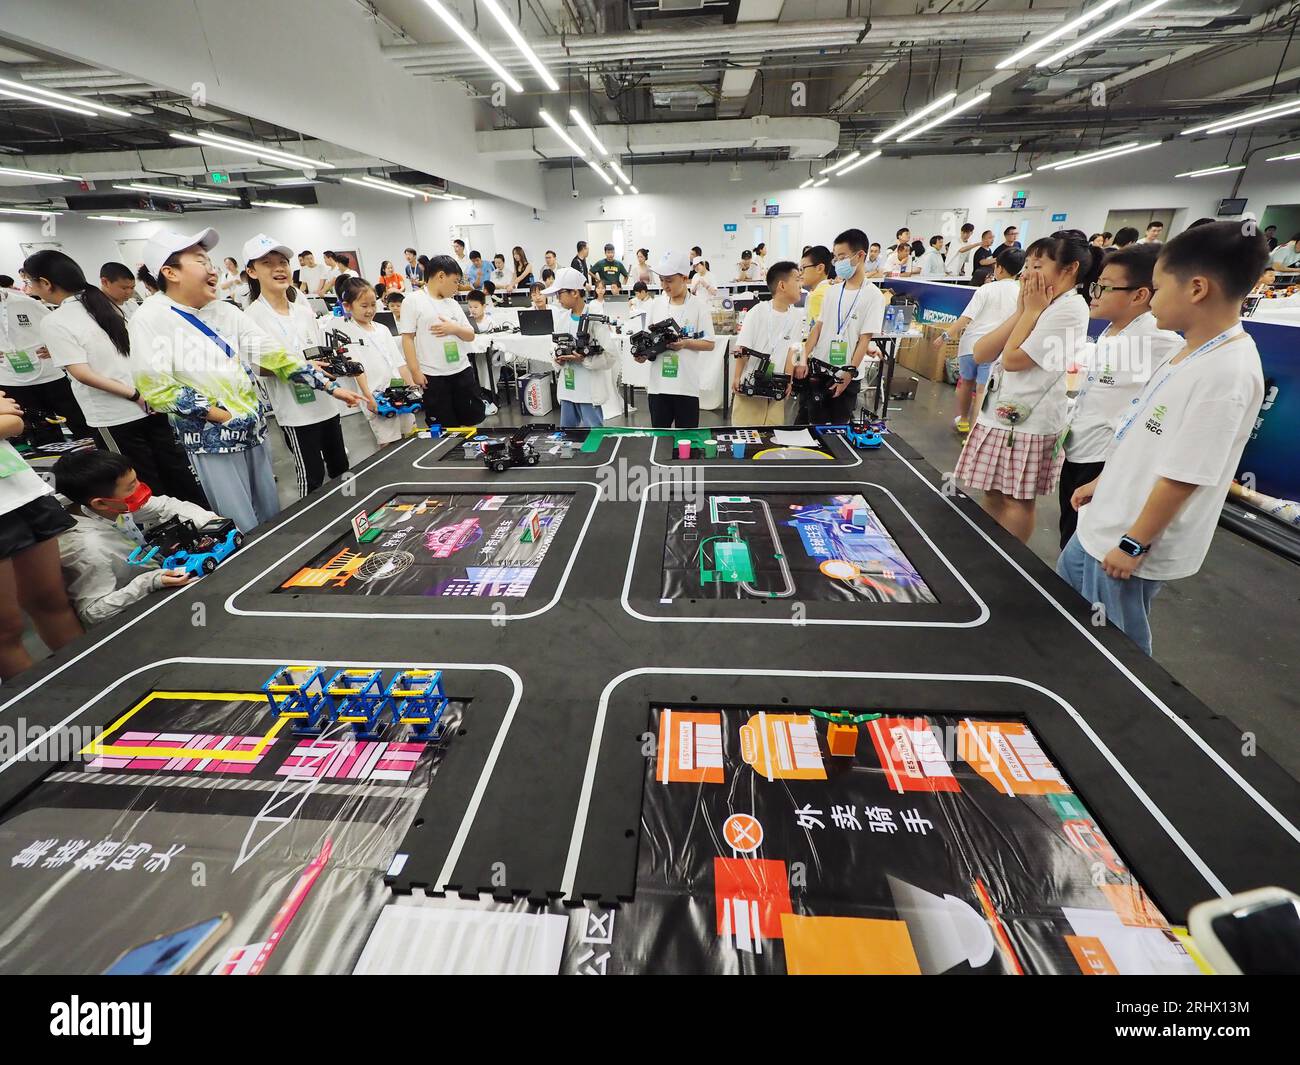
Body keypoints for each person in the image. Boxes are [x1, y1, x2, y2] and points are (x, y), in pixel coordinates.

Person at [1059, 222, 1267, 656]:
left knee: (1118, 641)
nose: (1152, 298)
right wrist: (1104, 482)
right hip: (1106, 517)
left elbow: (1186, 475)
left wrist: (1135, 543)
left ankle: (1121, 710)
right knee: (1065, 603)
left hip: (1130, 538)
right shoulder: (1188, 350)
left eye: (1157, 286)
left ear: (1195, 289)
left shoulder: (1226, 373)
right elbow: (1145, 433)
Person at [130, 228, 359, 532]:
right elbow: (156, 388)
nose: (213, 270)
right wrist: (222, 418)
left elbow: (275, 357)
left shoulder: (225, 312)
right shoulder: (151, 318)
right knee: (241, 524)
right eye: (200, 261)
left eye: (210, 261)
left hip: (255, 432)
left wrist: (330, 387)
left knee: (271, 518)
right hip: (213, 442)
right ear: (170, 272)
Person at [24, 250, 207, 506]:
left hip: (116, 415)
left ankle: (173, 534)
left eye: (31, 282)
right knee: (175, 470)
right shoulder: (106, 305)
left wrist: (132, 394)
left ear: (45, 283)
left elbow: (83, 374)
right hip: (151, 404)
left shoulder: (56, 320)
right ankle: (205, 521)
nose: (30, 287)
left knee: (137, 482)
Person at [956, 229, 1099, 544]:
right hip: (998, 413)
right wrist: (1024, 311)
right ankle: (989, 549)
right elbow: (981, 352)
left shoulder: (1070, 309)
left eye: (1038, 265)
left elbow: (1014, 360)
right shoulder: (1034, 303)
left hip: (1029, 422)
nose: (1028, 273)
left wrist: (1031, 311)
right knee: (992, 491)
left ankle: (1008, 561)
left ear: (1069, 269)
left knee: (1016, 499)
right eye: (1028, 265)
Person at [1058, 244, 1183, 549]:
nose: (1094, 294)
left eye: (1103, 288)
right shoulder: (1113, 329)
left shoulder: (1157, 337)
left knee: (1086, 541)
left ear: (1140, 295)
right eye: (1095, 286)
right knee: (1068, 533)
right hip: (1079, 447)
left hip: (1104, 458)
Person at [243, 235, 360, 499]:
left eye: (283, 262)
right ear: (251, 271)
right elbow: (259, 369)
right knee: (312, 477)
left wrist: (338, 367)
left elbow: (319, 354)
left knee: (341, 469)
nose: (279, 268)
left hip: (327, 405)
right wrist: (300, 366)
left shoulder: (303, 311)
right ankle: (315, 533)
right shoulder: (251, 318)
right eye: (267, 263)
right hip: (296, 414)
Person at [52, 449, 222, 627]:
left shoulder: (113, 504)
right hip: (139, 617)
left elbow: (165, 505)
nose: (140, 487)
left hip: (163, 580)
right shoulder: (87, 548)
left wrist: (213, 523)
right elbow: (93, 611)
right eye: (131, 486)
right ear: (100, 503)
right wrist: (148, 582)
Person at [0, 389, 82, 679]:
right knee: (6, 630)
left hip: (22, 492)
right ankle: (43, 713)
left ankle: (95, 687)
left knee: (52, 600)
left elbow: (14, 421)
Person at [935, 248, 1024, 435]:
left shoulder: (986, 289)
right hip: (996, 349)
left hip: (971, 346)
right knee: (983, 391)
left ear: (998, 268)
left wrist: (945, 336)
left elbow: (966, 317)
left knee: (966, 383)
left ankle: (964, 421)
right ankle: (973, 434)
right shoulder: (1020, 293)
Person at [804, 228, 887, 423]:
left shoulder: (873, 296)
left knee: (838, 431)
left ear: (859, 256)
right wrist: (803, 356)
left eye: (842, 256)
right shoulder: (832, 292)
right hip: (820, 370)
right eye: (835, 257)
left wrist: (848, 374)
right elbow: (819, 327)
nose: (838, 262)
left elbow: (865, 339)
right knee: (813, 427)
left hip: (846, 375)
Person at [0, 282, 93, 439]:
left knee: (80, 424)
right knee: (40, 433)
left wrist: (55, 348)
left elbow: (59, 327)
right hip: (11, 380)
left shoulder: (25, 303)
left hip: (49, 375)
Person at [400, 253, 482, 428]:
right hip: (433, 375)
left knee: (470, 419)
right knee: (444, 425)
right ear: (441, 276)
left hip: (461, 370)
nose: (457, 287)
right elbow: (407, 338)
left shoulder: (452, 304)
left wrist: (454, 328)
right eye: (455, 281)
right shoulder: (413, 301)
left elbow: (470, 334)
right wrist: (415, 371)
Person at [338, 277, 416, 447]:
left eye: (373, 304)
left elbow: (399, 362)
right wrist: (368, 397)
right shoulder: (347, 335)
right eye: (364, 306)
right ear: (347, 306)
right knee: (388, 442)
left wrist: (412, 386)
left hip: (399, 391)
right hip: (377, 396)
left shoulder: (383, 329)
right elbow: (357, 370)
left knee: (410, 436)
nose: (370, 310)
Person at [643, 250, 716, 429]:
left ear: (684, 278)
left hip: (686, 387)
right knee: (660, 442)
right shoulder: (656, 304)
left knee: (687, 443)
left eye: (669, 280)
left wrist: (685, 343)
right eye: (661, 280)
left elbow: (710, 343)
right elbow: (646, 341)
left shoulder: (699, 306)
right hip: (658, 388)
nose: (664, 285)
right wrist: (642, 355)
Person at [731, 261, 802, 426]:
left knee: (772, 434)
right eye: (797, 279)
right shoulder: (758, 311)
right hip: (751, 384)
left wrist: (789, 380)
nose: (801, 284)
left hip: (777, 386)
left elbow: (794, 351)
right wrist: (737, 377)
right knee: (746, 432)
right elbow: (743, 347)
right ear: (782, 285)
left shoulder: (796, 317)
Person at [545, 267, 616, 428]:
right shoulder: (561, 318)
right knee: (567, 437)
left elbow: (610, 356)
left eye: (560, 294)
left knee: (595, 437)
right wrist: (558, 360)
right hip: (568, 390)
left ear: (575, 293)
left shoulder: (594, 319)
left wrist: (584, 360)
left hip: (588, 393)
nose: (557, 299)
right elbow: (554, 346)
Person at [800, 245, 834, 327]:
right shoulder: (829, 290)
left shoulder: (817, 295)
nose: (800, 273)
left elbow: (814, 332)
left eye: (803, 268)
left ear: (819, 268)